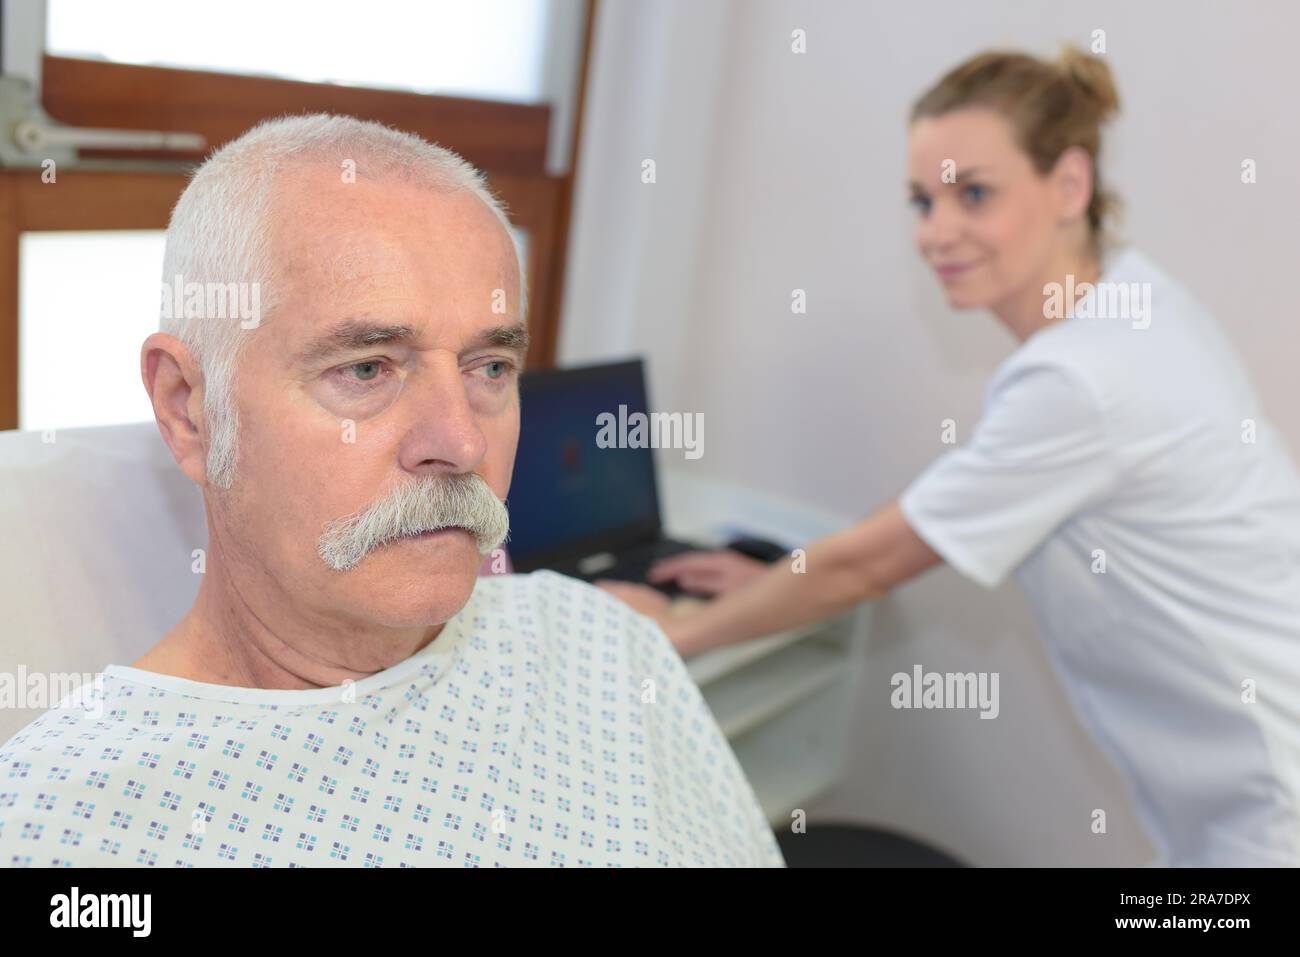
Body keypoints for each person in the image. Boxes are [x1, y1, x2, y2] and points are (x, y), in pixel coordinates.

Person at [0, 114, 782, 868]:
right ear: (190, 409)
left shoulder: (604, 644)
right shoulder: (64, 823)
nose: (462, 441)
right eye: (368, 368)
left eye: (490, 369)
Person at [600, 47, 1300, 867]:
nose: (937, 231)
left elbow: (870, 565)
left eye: (974, 193)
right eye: (922, 199)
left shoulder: (1083, 379)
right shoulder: (1136, 304)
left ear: (1069, 186)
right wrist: (772, 580)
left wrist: (670, 639)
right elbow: (941, 504)